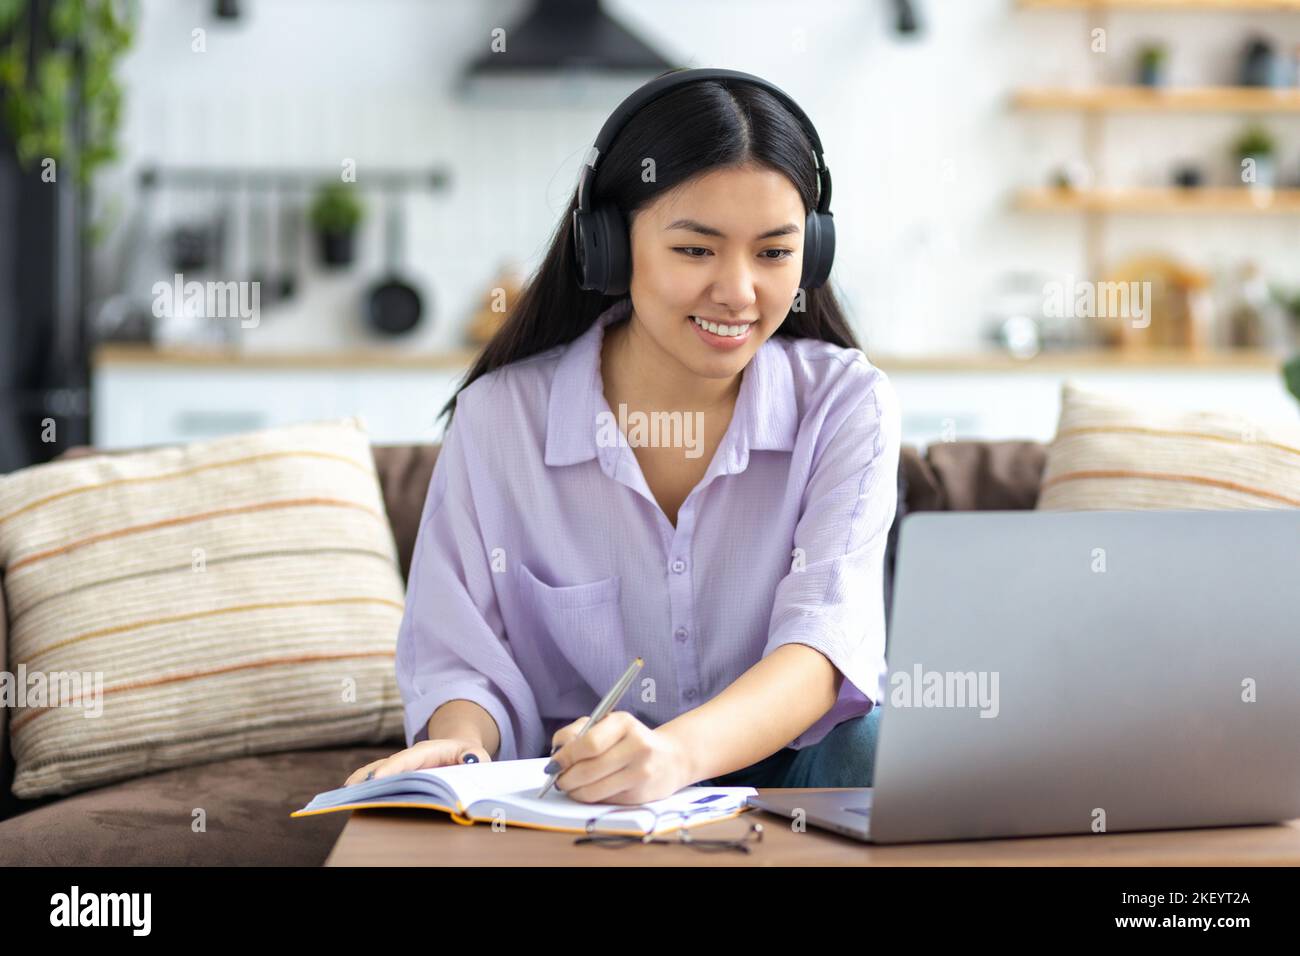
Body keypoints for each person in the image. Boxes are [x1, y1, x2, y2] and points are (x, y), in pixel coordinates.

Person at [345, 68, 900, 804]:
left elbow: (824, 643)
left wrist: (672, 757)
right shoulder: (500, 420)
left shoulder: (845, 401)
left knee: (873, 743)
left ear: (813, 253)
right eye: (695, 250)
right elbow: (461, 657)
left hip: (783, 778)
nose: (738, 291)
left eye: (773, 253)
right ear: (608, 247)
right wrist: (461, 745)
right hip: (578, 788)